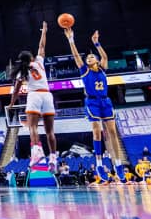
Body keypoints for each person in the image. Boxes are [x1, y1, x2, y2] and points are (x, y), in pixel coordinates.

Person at [64, 28, 127, 184]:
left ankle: (117, 163)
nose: (89, 57)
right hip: (92, 101)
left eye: (92, 56)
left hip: (105, 101)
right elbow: (76, 55)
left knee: (112, 131)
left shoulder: (103, 69)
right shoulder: (84, 71)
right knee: (97, 131)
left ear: (97, 60)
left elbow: (105, 56)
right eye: (88, 57)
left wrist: (97, 43)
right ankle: (99, 164)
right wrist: (71, 39)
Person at [9, 22, 58, 170]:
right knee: (50, 131)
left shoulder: (21, 71)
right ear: (31, 57)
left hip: (34, 96)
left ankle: (37, 152)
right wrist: (44, 32)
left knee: (33, 127)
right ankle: (53, 158)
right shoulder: (39, 62)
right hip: (47, 95)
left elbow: (16, 90)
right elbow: (42, 46)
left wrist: (12, 104)